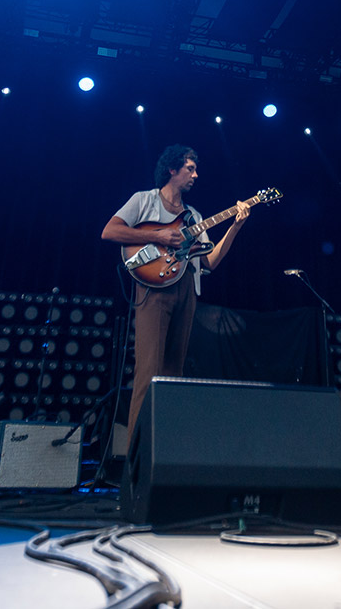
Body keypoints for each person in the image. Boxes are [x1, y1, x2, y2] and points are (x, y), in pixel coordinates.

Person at [102, 144, 248, 437]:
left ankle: (163, 449)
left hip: (186, 289)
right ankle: (136, 460)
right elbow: (110, 231)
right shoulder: (143, 200)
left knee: (173, 374)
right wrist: (158, 236)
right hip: (153, 291)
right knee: (148, 372)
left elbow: (209, 262)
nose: (196, 174)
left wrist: (235, 226)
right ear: (172, 170)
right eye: (190, 168)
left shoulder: (193, 215)